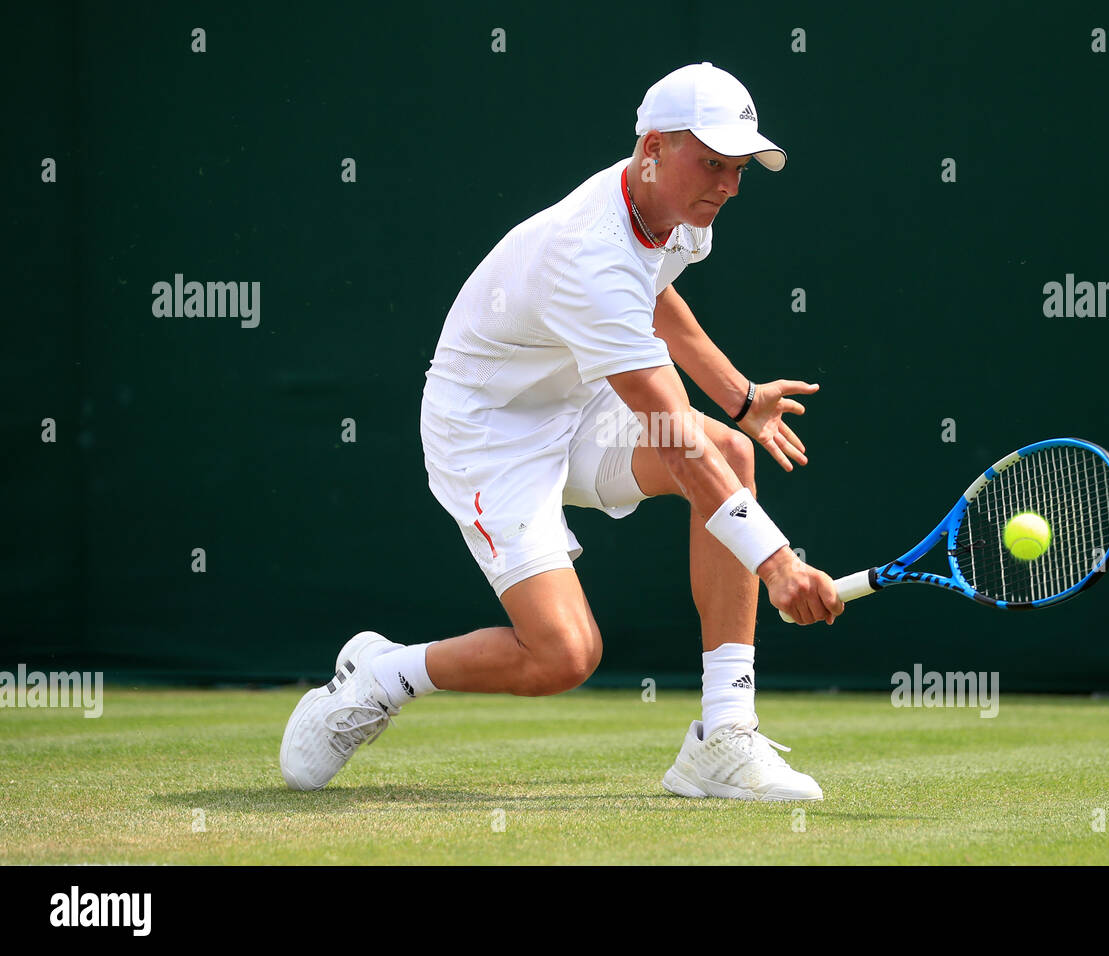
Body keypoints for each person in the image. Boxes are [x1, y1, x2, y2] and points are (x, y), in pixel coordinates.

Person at [280, 62, 844, 801]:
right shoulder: (592, 255)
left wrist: (739, 399)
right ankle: (383, 676)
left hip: (573, 403)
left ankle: (722, 736)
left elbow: (658, 295)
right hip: (487, 433)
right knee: (564, 657)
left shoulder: (674, 211)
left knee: (732, 451)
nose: (729, 186)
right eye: (712, 163)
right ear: (652, 149)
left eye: (738, 169)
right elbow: (674, 435)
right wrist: (778, 566)